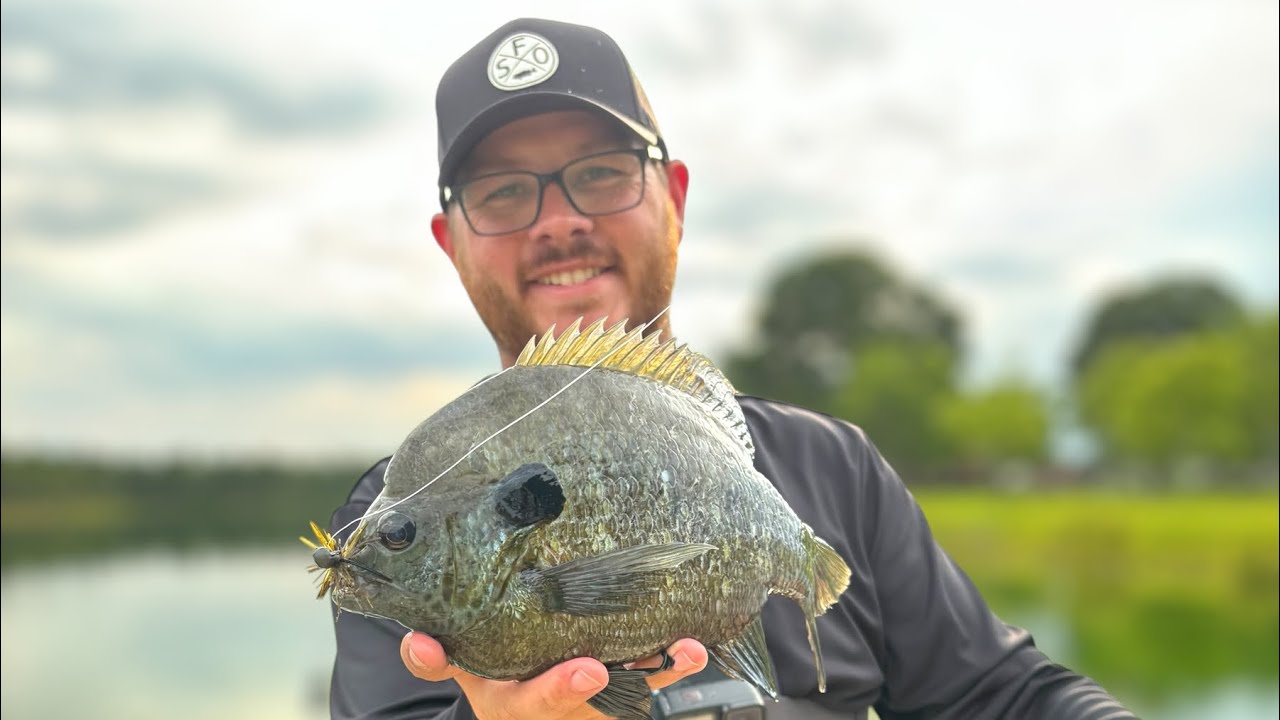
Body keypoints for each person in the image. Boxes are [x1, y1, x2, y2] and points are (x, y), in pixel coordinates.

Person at [326, 17, 1136, 720]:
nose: (559, 221)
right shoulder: (396, 512)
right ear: (451, 243)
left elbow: (1000, 694)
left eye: (601, 173)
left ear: (675, 199)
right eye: (502, 193)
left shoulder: (834, 468)